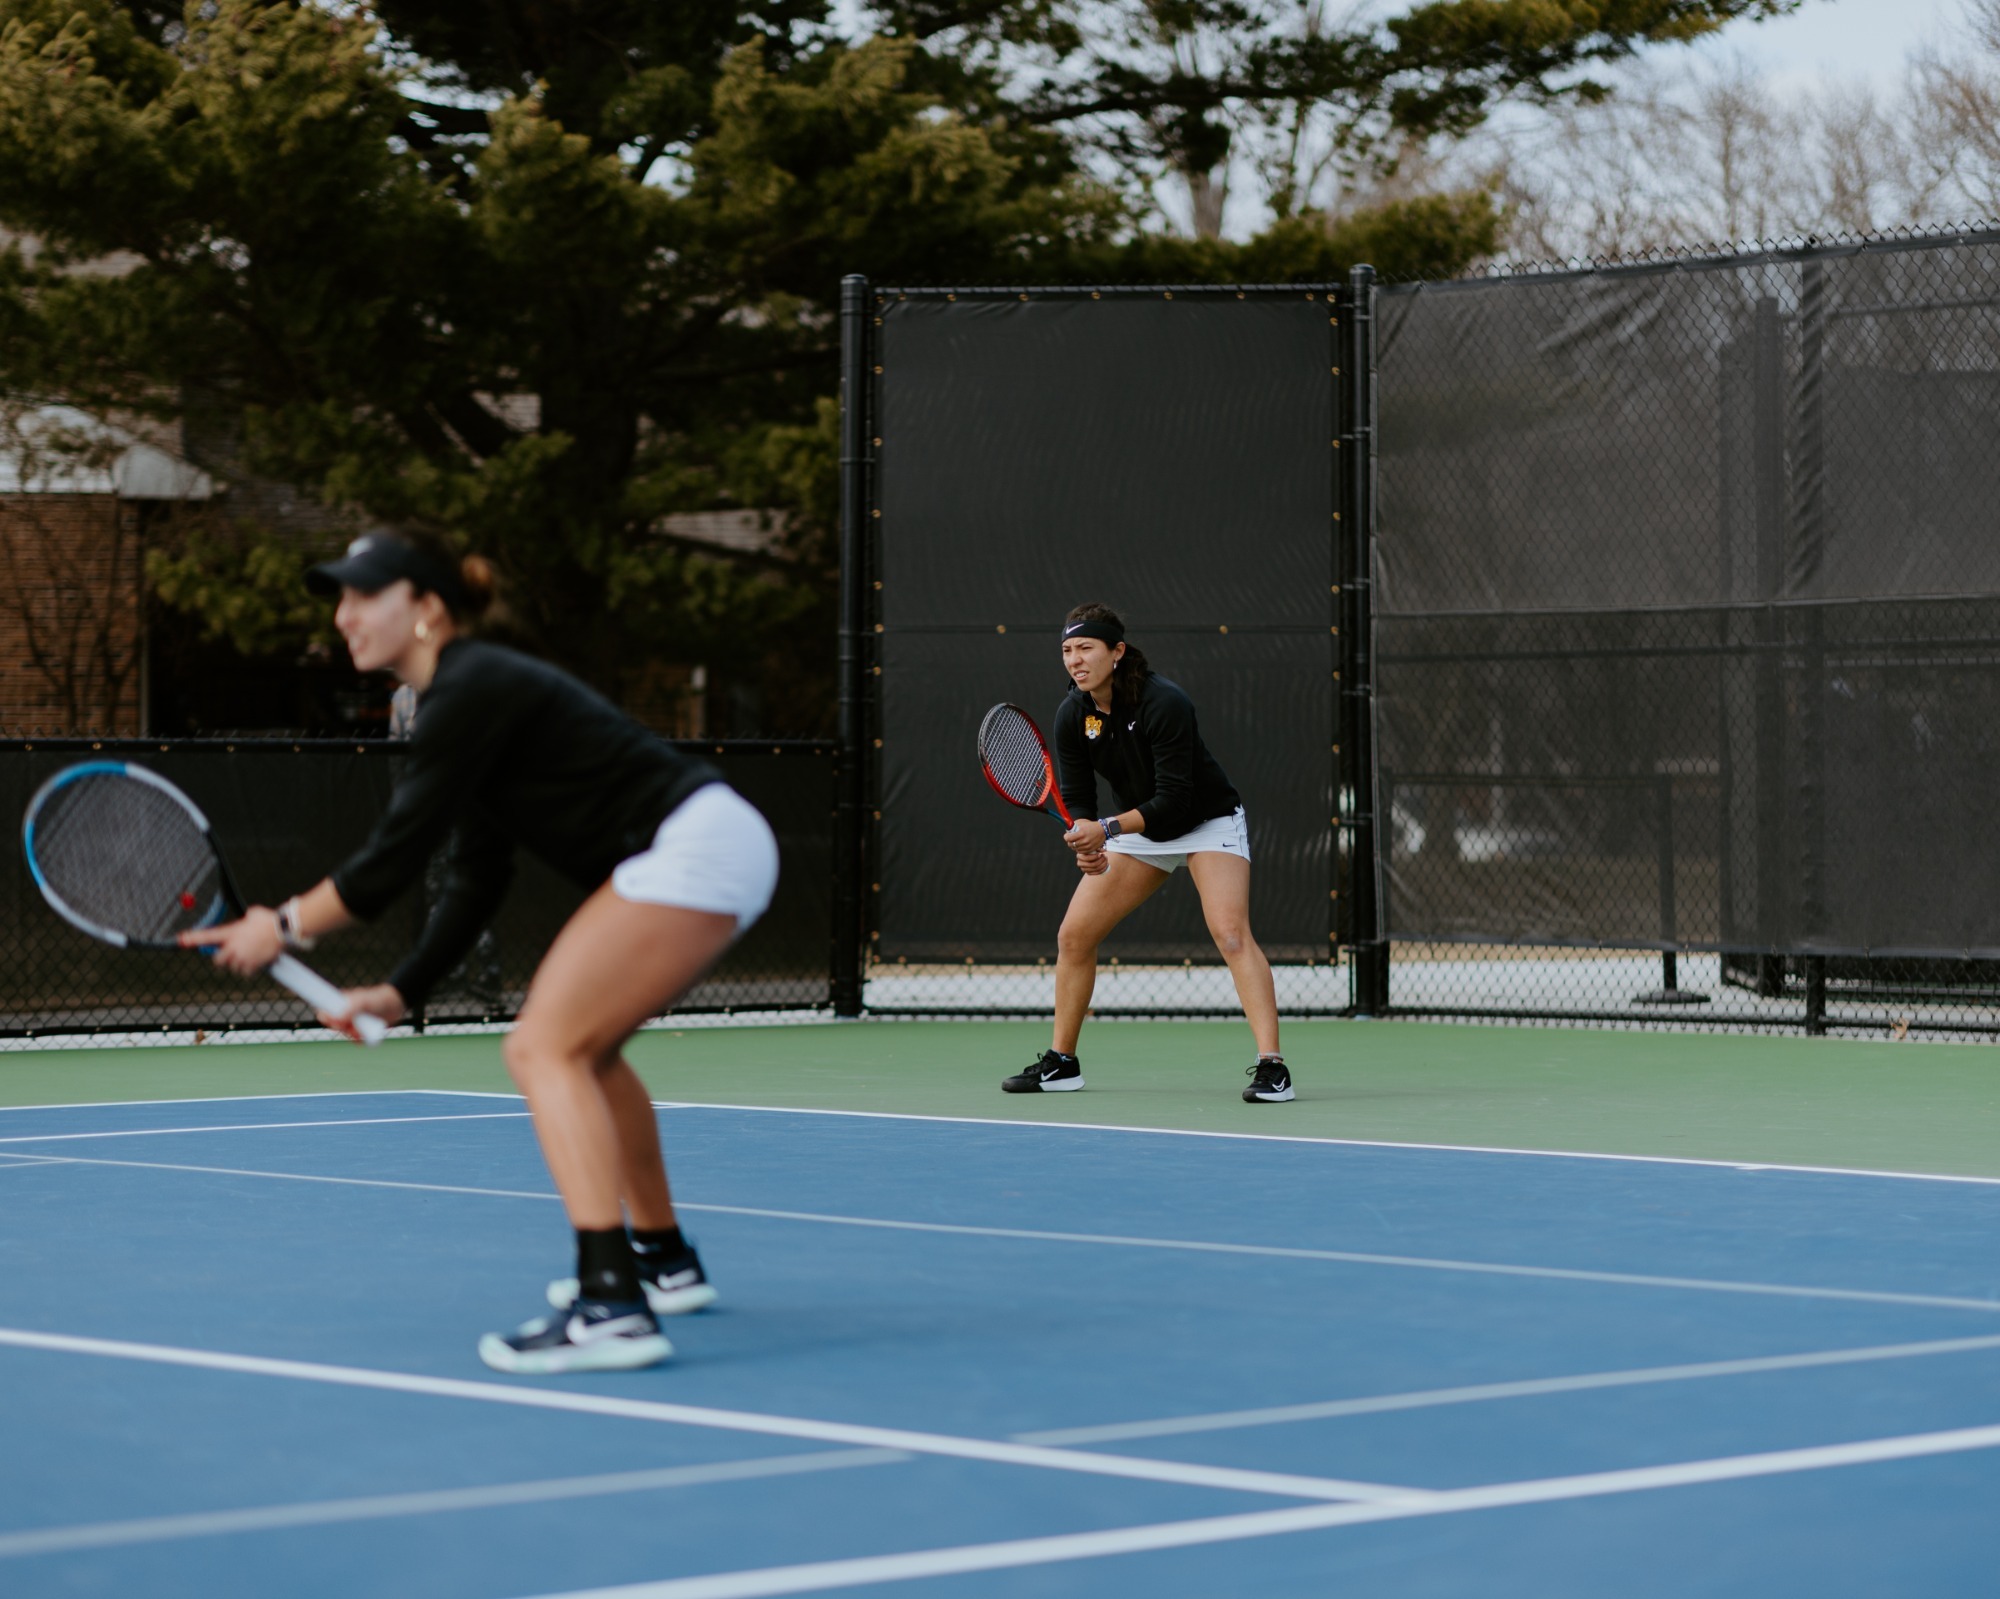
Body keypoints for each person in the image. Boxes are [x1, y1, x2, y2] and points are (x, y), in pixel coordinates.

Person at [184, 528, 779, 1374]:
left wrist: (277, 925)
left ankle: (610, 1305)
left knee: (541, 1045)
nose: (344, 614)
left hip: (695, 844)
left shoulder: (472, 684)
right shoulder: (456, 701)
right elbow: (476, 871)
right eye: (339, 598)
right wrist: (403, 989)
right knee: (590, 1052)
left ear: (426, 608)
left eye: (364, 595)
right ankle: (661, 1259)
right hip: (703, 845)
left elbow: (388, 862)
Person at [1000, 602, 1293, 1103]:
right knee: (1074, 935)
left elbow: (1175, 799)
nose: (1075, 660)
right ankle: (1062, 1063)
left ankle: (1273, 1069)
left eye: (1085, 648)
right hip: (1139, 831)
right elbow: (1078, 799)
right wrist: (1086, 844)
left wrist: (1106, 830)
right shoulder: (1073, 712)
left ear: (1116, 652)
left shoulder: (1164, 702)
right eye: (1067, 651)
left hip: (1206, 821)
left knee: (1230, 934)